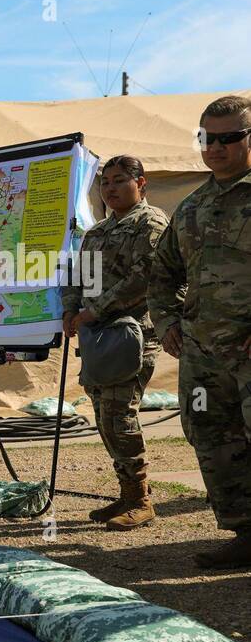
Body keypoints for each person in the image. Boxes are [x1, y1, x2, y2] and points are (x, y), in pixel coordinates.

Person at [149, 94, 251, 569]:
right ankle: (245, 532)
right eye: (207, 137)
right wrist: (168, 322)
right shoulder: (192, 206)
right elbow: (162, 272)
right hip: (204, 354)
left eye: (229, 138)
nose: (216, 147)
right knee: (212, 437)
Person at [62, 156, 168, 531]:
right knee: (104, 416)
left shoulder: (150, 223)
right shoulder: (97, 232)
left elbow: (145, 278)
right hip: (97, 336)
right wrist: (70, 309)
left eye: (119, 181)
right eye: (105, 182)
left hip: (132, 333)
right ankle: (126, 494)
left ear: (141, 183)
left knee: (120, 415)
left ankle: (140, 500)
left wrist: (95, 311)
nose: (110, 188)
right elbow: (79, 275)